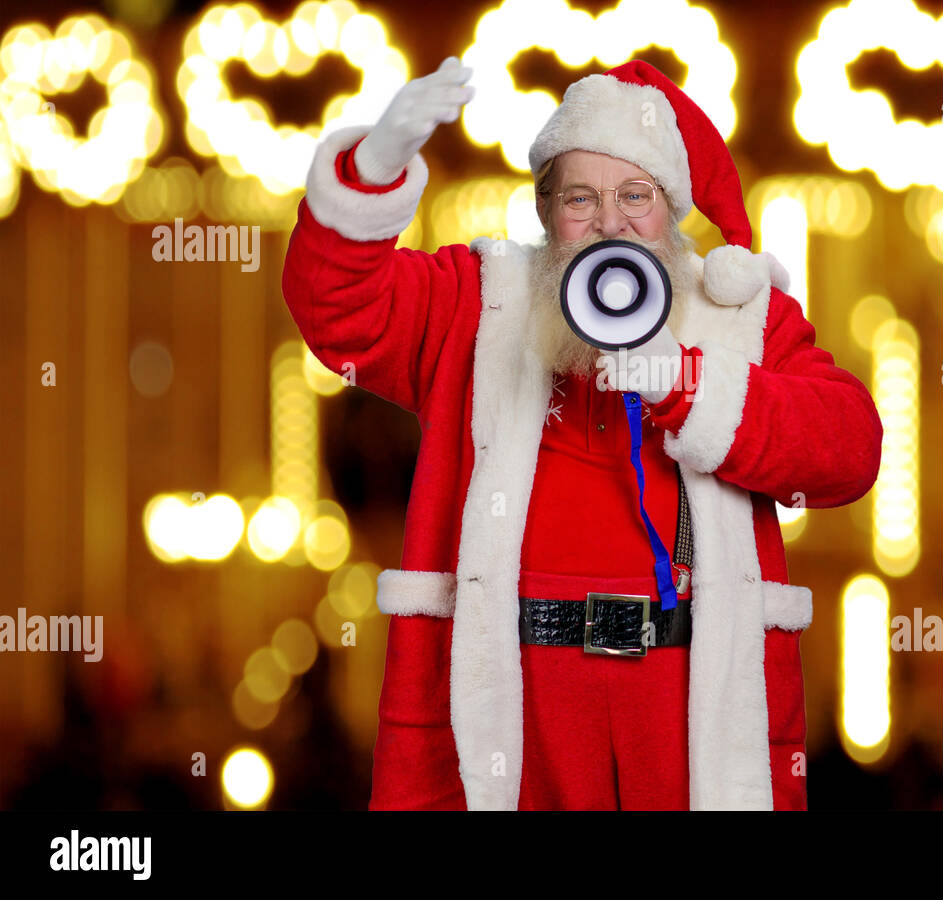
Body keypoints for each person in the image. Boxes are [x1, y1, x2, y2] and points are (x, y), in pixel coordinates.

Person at [282, 56, 884, 810]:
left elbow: (850, 448)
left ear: (671, 210)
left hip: (684, 704)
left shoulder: (740, 321)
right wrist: (372, 167)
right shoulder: (479, 306)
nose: (609, 223)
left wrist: (691, 386)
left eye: (636, 195)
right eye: (581, 198)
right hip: (515, 703)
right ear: (545, 213)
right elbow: (336, 310)